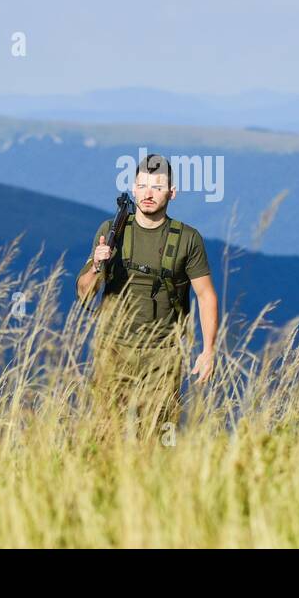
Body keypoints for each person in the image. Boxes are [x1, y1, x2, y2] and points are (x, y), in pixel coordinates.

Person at [76, 153, 218, 438]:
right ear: (133, 189)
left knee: (161, 434)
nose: (148, 194)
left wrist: (208, 350)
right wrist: (96, 265)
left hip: (163, 353)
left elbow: (206, 296)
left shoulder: (187, 239)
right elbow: (84, 292)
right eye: (142, 186)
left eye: (157, 186)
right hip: (113, 348)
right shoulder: (111, 231)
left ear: (172, 192)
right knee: (106, 433)